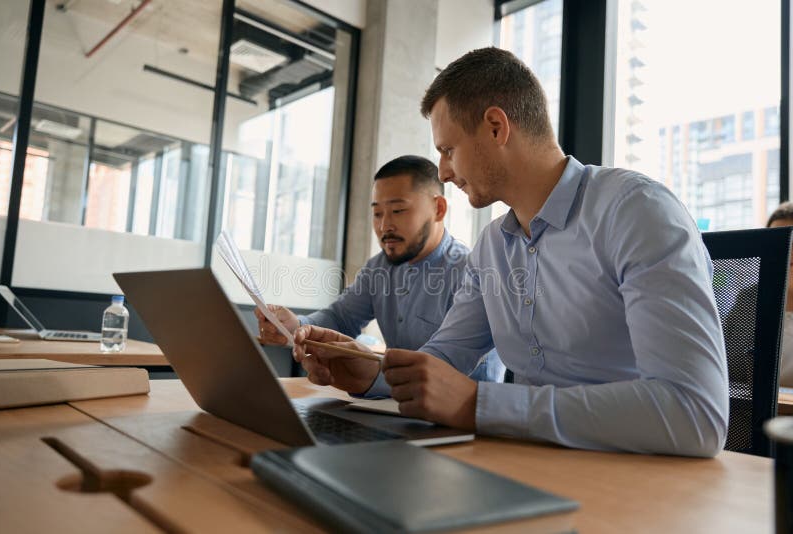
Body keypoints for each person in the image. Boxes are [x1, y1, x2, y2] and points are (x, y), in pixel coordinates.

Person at [292, 47, 729, 457]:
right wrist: (368, 371)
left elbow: (694, 411)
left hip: (636, 480)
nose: (443, 171)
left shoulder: (636, 212)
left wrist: (482, 405)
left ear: (496, 127)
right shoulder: (493, 247)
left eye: (448, 150)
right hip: (528, 461)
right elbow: (444, 358)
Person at [256, 155, 503, 382]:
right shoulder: (379, 268)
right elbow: (341, 317)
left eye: (398, 211)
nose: (385, 226)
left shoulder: (469, 272)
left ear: (438, 209)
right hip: (398, 403)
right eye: (377, 213)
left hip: (462, 416)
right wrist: (297, 326)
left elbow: (451, 368)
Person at [723, 202, 793, 387]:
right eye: (779, 241)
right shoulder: (748, 300)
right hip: (755, 411)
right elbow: (727, 365)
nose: (789, 250)